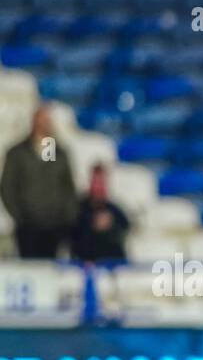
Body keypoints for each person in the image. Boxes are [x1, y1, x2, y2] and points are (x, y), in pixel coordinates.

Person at [0, 105, 78, 259]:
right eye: (41, 120)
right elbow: (7, 187)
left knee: (50, 267)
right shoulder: (18, 153)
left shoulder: (56, 152)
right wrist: (20, 216)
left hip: (53, 227)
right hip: (27, 226)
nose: (44, 124)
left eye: (47, 121)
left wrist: (64, 217)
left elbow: (66, 186)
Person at [71, 163, 130, 263]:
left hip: (111, 268)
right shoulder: (78, 210)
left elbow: (124, 231)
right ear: (90, 182)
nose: (99, 187)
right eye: (96, 182)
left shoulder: (115, 212)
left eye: (102, 182)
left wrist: (111, 227)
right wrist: (92, 224)